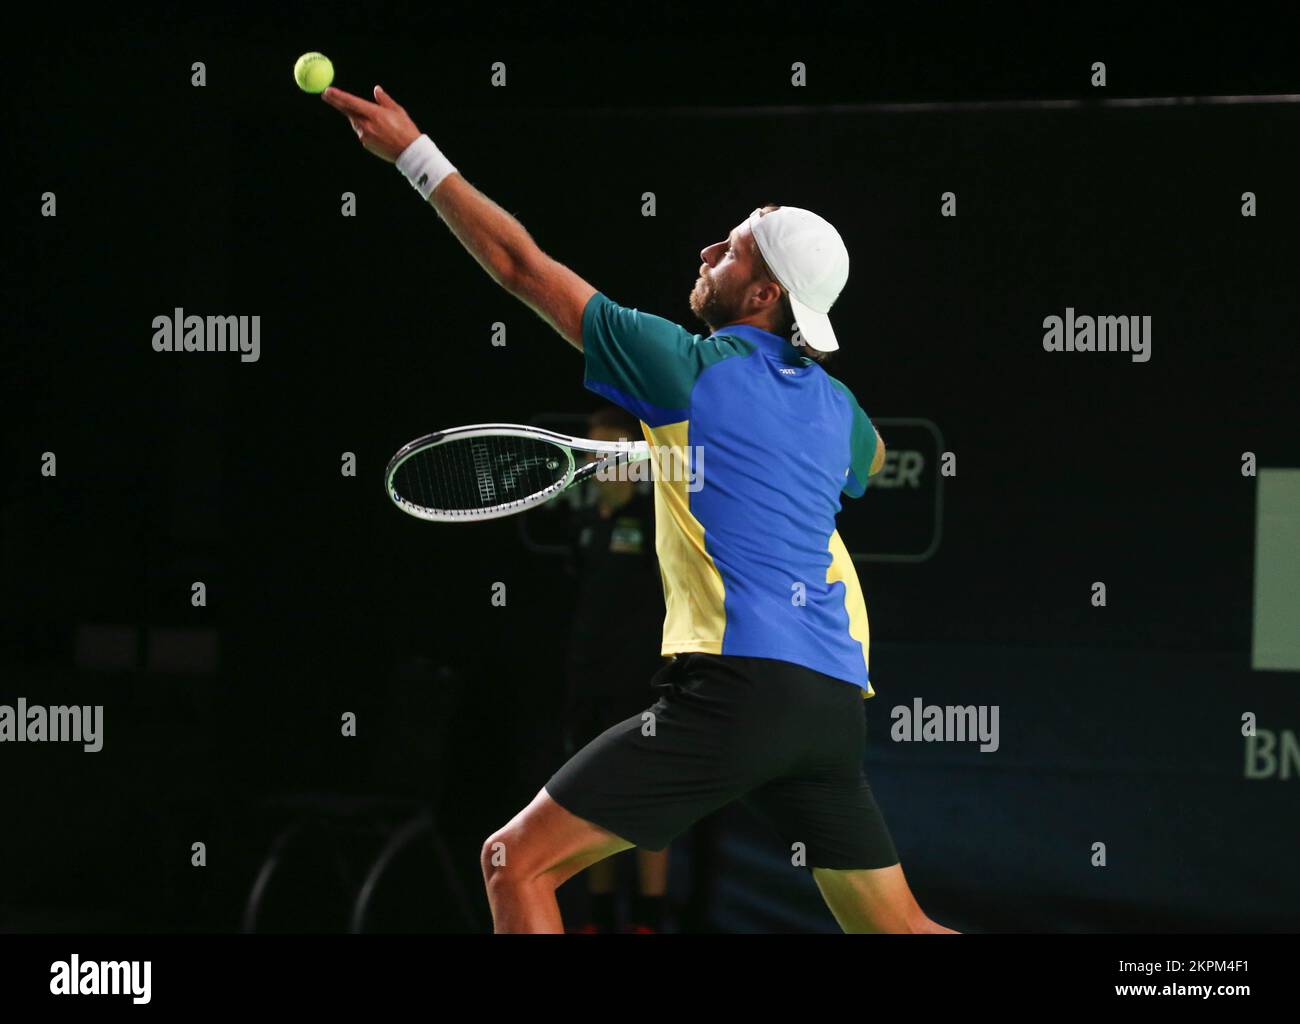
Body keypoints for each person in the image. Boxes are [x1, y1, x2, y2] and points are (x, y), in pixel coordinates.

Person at [324, 83, 957, 934]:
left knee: (515, 864)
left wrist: (412, 154)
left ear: (765, 295)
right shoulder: (836, 407)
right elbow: (871, 461)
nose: (706, 252)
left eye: (730, 251)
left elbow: (519, 267)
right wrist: (701, 454)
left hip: (740, 688)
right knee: (903, 931)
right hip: (830, 705)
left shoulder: (681, 366)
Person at [560, 406, 669, 934]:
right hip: (589, 686)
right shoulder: (582, 528)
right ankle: (598, 921)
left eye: (609, 455)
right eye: (591, 454)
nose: (598, 465)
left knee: (648, 806)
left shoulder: (654, 523)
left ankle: (649, 919)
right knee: (594, 806)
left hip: (643, 688)